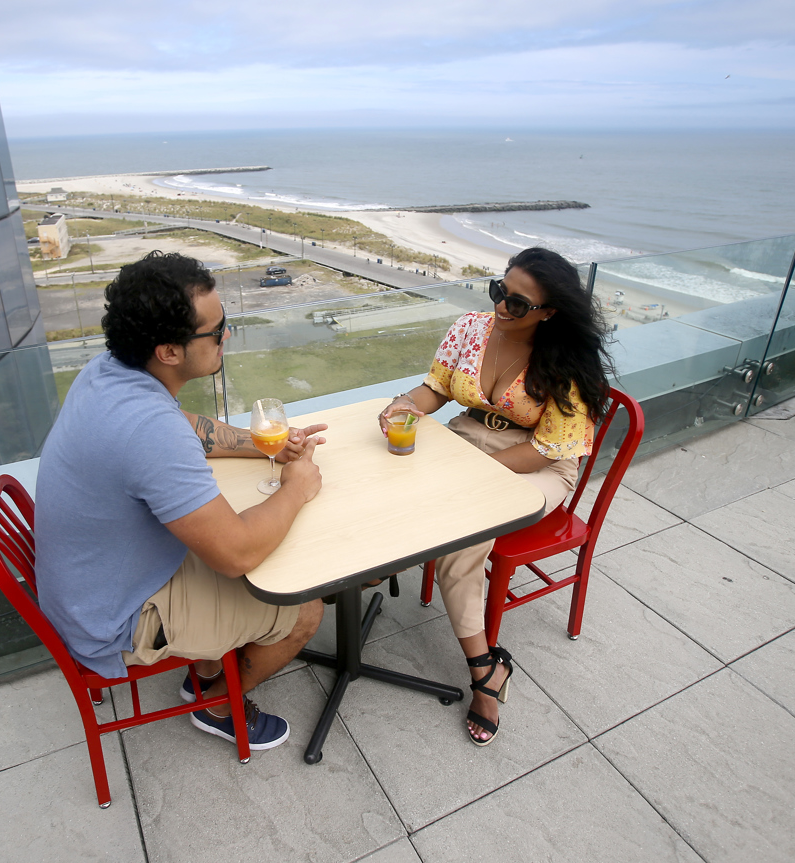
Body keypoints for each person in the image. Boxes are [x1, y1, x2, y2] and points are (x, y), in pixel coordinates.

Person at [35, 251, 327, 752]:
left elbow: (188, 428)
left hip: (94, 581)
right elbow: (235, 554)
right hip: (115, 618)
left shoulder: (108, 372)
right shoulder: (148, 431)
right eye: (216, 332)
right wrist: (297, 486)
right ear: (169, 352)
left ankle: (209, 663)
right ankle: (215, 703)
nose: (226, 338)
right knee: (304, 609)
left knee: (257, 555)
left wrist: (266, 446)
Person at [377, 247, 614, 746]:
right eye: (499, 292)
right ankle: (376, 563)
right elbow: (435, 390)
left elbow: (548, 448)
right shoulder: (470, 328)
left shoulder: (567, 360)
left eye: (518, 303)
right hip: (466, 438)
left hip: (537, 465)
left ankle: (484, 670)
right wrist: (405, 404)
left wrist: (470, 473)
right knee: (385, 476)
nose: (503, 307)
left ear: (548, 312)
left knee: (465, 531)